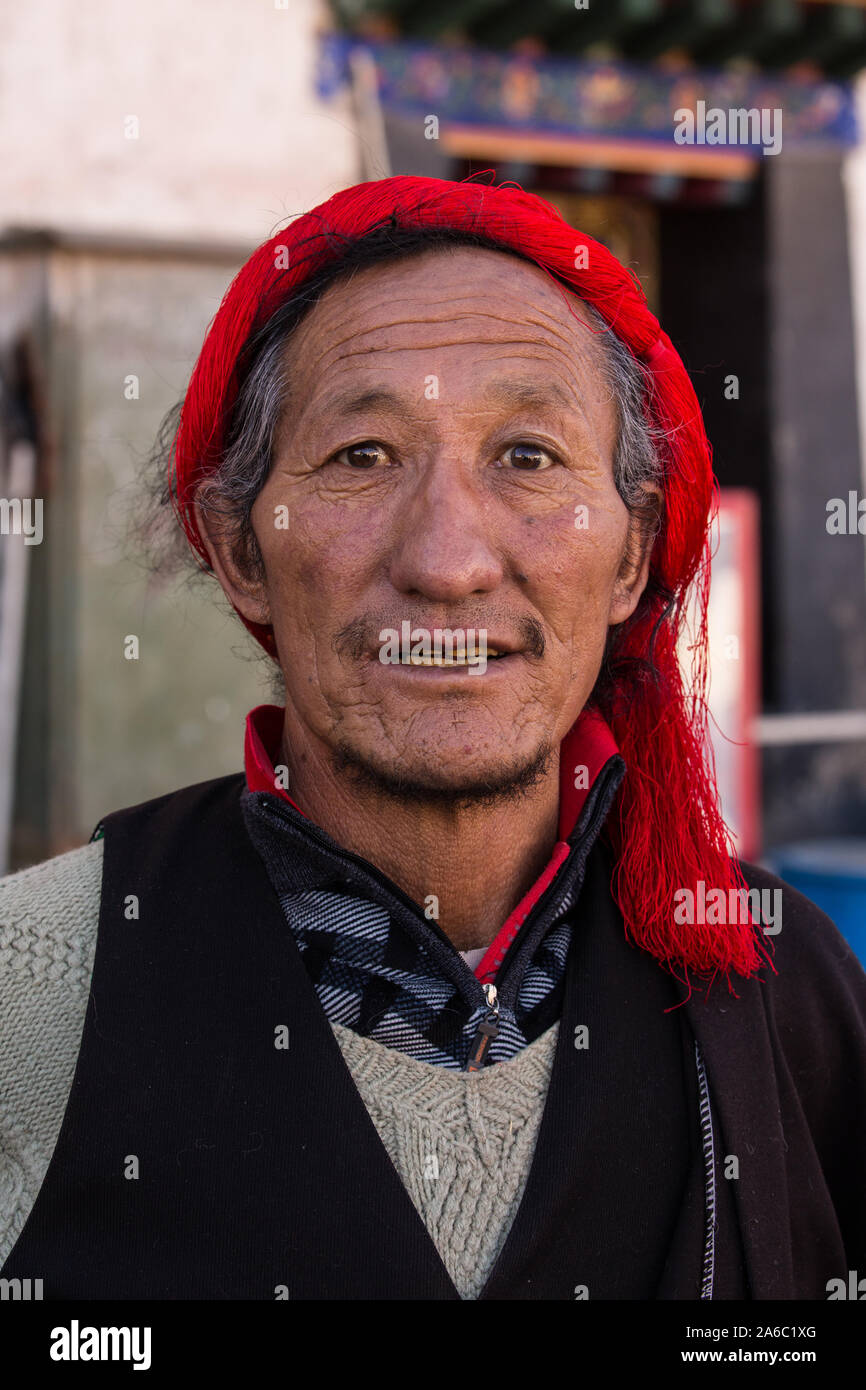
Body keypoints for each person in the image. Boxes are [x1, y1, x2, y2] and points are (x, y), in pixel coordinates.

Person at [1, 175, 864, 1301]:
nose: (449, 560)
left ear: (630, 552)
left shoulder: (779, 985)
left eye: (527, 456)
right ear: (241, 550)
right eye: (361, 455)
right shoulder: (33, 984)